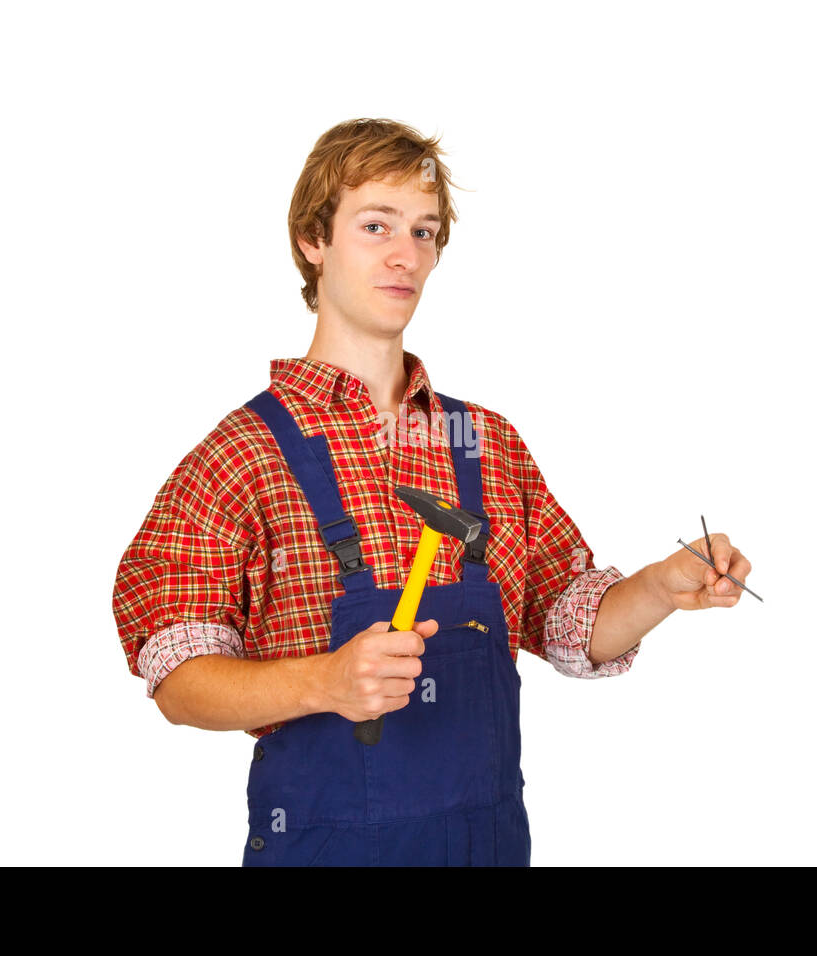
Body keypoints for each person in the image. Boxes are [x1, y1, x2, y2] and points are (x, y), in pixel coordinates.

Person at [111, 118, 754, 866]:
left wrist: (661, 586)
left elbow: (571, 626)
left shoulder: (484, 442)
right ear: (312, 241)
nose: (403, 254)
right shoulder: (243, 456)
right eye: (375, 224)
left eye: (425, 231)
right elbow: (178, 680)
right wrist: (325, 681)